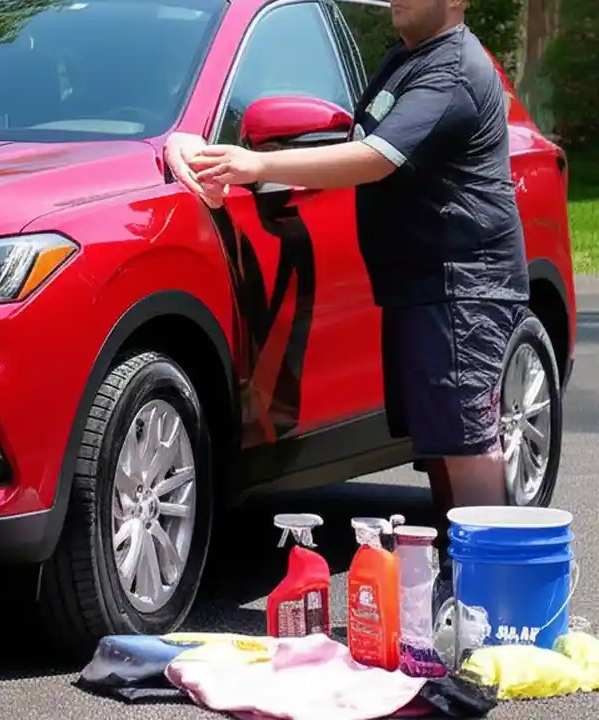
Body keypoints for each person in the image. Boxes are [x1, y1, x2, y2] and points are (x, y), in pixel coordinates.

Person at [165, 0, 529, 526]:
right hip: (419, 286)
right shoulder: (407, 60)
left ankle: (489, 594)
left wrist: (256, 164)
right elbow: (352, 142)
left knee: (467, 444)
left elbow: (376, 157)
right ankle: (461, 579)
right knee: (443, 444)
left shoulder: (452, 71)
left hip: (462, 288)